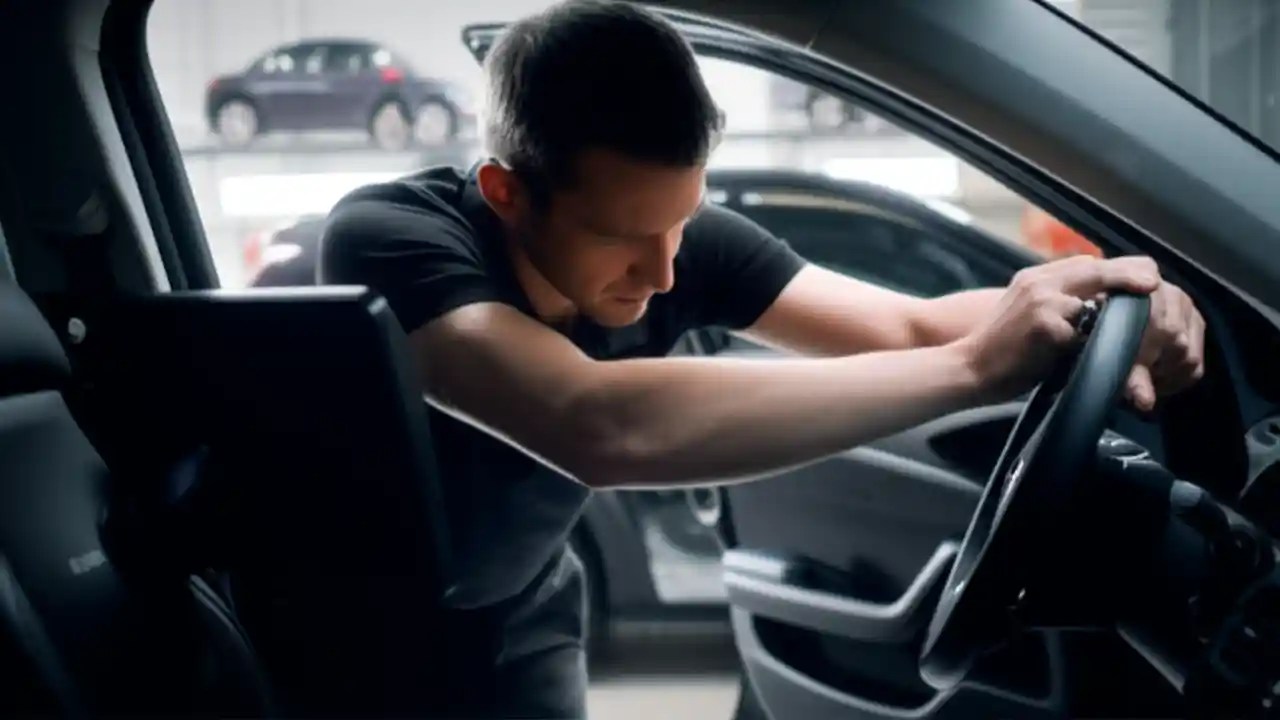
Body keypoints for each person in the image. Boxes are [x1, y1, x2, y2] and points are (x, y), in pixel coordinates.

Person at [316, 1, 1206, 716]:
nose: (665, 271)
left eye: (681, 223)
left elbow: (908, 329)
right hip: (347, 626)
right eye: (624, 238)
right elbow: (592, 421)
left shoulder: (671, 247)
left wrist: (1106, 299)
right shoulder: (391, 240)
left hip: (526, 606)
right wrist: (976, 369)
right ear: (504, 192)